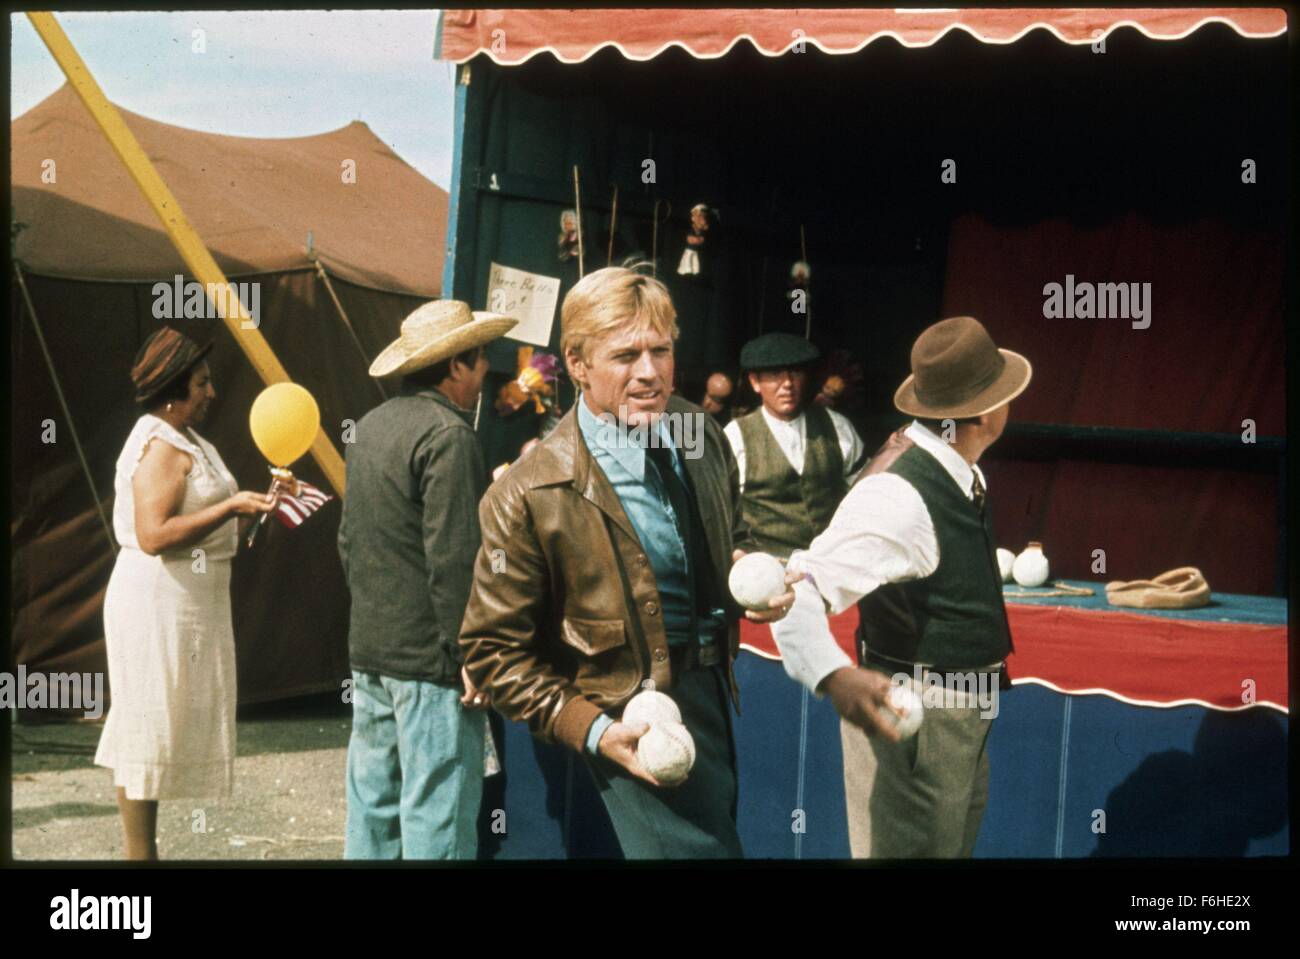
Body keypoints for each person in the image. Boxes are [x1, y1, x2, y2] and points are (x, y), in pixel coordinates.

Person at [459, 266, 793, 859]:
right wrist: (595, 730)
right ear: (578, 364)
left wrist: (745, 575)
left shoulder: (698, 431)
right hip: (632, 715)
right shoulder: (531, 492)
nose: (649, 372)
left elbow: (727, 530)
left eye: (660, 351)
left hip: (711, 695)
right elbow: (492, 650)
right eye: (626, 355)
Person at [771, 315, 1032, 858]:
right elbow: (798, 587)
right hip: (919, 720)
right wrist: (831, 674)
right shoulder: (898, 496)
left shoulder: (962, 469)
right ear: (984, 412)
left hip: (961, 717)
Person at [94, 326, 283, 860]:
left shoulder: (191, 440)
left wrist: (257, 507)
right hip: (154, 602)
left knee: (159, 723)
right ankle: (139, 856)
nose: (211, 392)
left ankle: (143, 853)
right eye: (201, 383)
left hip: (187, 600)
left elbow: (213, 530)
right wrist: (229, 506)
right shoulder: (159, 444)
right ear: (175, 388)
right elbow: (153, 535)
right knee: (142, 722)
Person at [337, 299, 517, 860]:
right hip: (432, 663)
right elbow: (454, 559)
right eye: (481, 358)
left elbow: (350, 542)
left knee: (372, 807)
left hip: (371, 648)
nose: (487, 370)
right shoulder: (449, 435)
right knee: (437, 811)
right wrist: (472, 654)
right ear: (456, 365)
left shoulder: (369, 427)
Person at [724, 332, 866, 560]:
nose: (787, 384)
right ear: (755, 382)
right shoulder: (736, 436)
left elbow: (865, 490)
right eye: (774, 374)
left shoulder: (835, 425)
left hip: (831, 564)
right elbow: (724, 513)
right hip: (768, 569)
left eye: (795, 372)